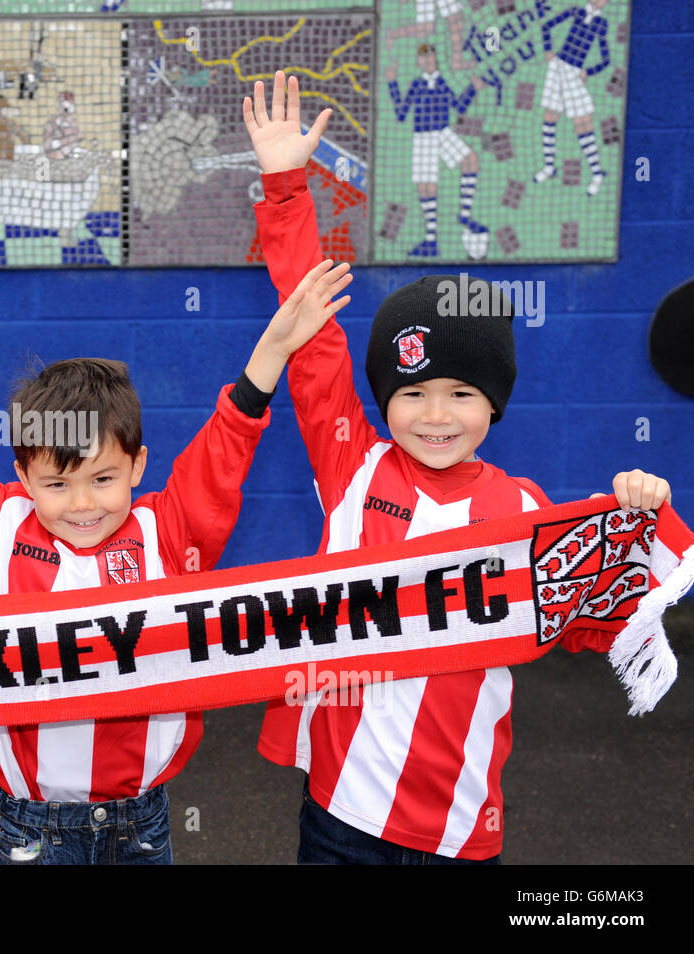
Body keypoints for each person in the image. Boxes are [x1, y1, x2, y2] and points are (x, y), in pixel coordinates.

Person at [243, 71, 672, 864]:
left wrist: (636, 514)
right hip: (339, 815)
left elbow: (601, 618)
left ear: (495, 403)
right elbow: (312, 336)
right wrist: (283, 186)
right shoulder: (352, 468)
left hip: (460, 829)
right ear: (383, 400)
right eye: (412, 393)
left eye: (462, 392)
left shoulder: (523, 511)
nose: (436, 415)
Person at [0, 246, 351, 864]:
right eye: (56, 484)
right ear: (22, 476)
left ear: (140, 466)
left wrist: (271, 354)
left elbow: (227, 444)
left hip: (141, 823)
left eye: (104, 479)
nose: (82, 504)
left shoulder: (167, 533)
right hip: (32, 829)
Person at [385, 45, 486, 258]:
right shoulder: (416, 85)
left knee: (471, 160)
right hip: (423, 137)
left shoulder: (441, 83)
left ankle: (465, 215)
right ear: (419, 63)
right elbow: (402, 113)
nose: (428, 62)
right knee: (426, 188)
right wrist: (392, 82)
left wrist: (472, 88)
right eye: (424, 59)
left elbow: (458, 106)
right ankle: (431, 240)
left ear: (435, 60)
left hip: (442, 132)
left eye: (431, 58)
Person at [532, 0, 611, 196]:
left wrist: (588, 72)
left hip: (574, 73)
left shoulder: (601, 24)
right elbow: (547, 26)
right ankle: (549, 167)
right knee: (549, 117)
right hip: (557, 66)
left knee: (583, 122)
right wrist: (549, 49)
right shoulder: (575, 11)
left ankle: (596, 173)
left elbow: (606, 58)